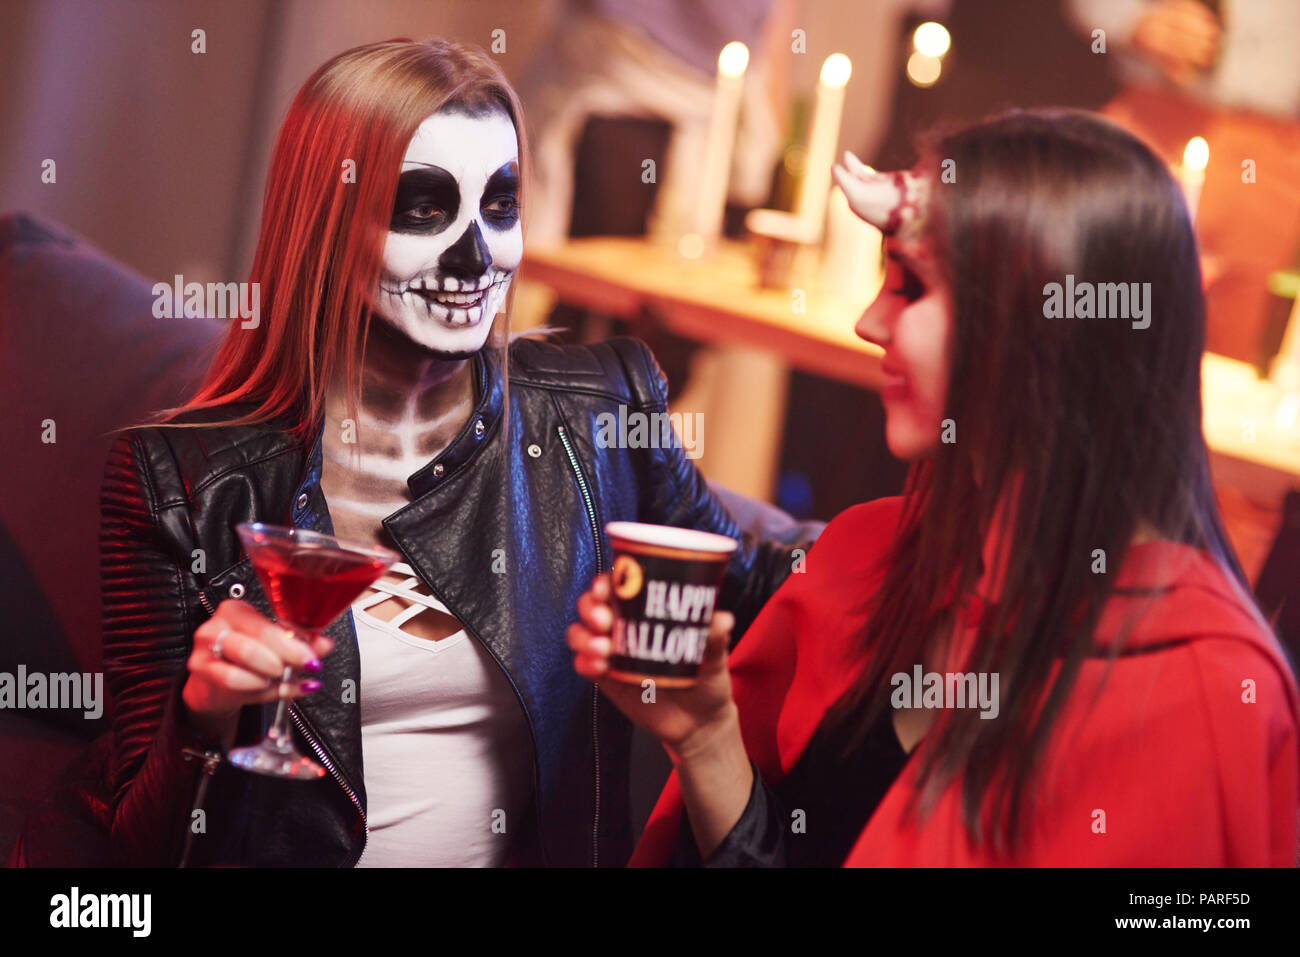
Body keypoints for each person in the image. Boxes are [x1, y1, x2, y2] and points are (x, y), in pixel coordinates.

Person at [99, 37, 811, 868]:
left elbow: (786, 591)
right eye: (424, 209)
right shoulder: (175, 480)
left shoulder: (600, 415)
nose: (477, 257)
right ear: (327, 224)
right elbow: (131, 858)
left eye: (500, 205)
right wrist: (201, 719)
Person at [568, 108, 1300, 866]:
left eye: (911, 286)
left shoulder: (1201, 697)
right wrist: (706, 737)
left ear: (1036, 328)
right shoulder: (880, 558)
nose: (868, 321)